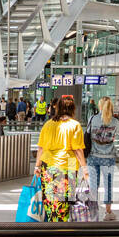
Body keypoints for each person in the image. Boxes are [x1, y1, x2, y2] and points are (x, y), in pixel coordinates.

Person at [35, 94, 87, 222]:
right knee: (64, 200)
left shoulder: (48, 124)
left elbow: (41, 148)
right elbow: (77, 149)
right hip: (67, 165)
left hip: (47, 165)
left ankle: (52, 225)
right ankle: (60, 228)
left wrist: (37, 165)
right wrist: (85, 169)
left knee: (50, 198)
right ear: (73, 109)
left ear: (57, 108)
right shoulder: (75, 125)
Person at [86, 96, 118, 220]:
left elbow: (88, 134)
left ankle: (94, 212)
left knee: (93, 185)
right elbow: (114, 137)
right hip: (108, 157)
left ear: (99, 106)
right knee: (108, 184)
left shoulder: (92, 119)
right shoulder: (115, 121)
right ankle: (108, 212)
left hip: (93, 156)